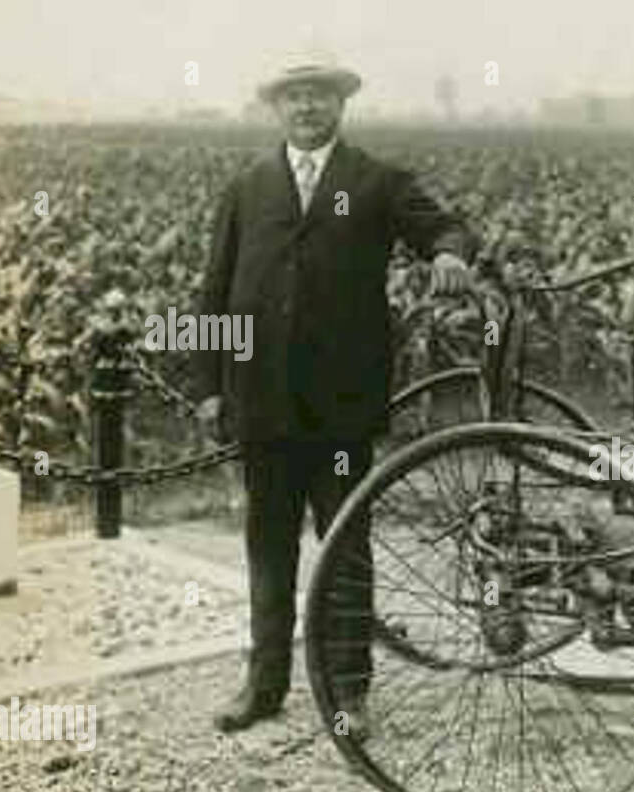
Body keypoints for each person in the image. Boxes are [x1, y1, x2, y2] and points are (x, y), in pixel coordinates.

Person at [194, 52, 479, 737]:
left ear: (341, 105)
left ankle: (350, 692)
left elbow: (447, 226)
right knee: (268, 547)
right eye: (295, 97)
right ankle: (264, 687)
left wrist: (448, 254)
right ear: (278, 108)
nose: (307, 108)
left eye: (320, 96)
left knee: (346, 547)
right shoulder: (248, 188)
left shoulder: (373, 182)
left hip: (341, 412)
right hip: (262, 405)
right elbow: (212, 293)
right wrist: (208, 387)